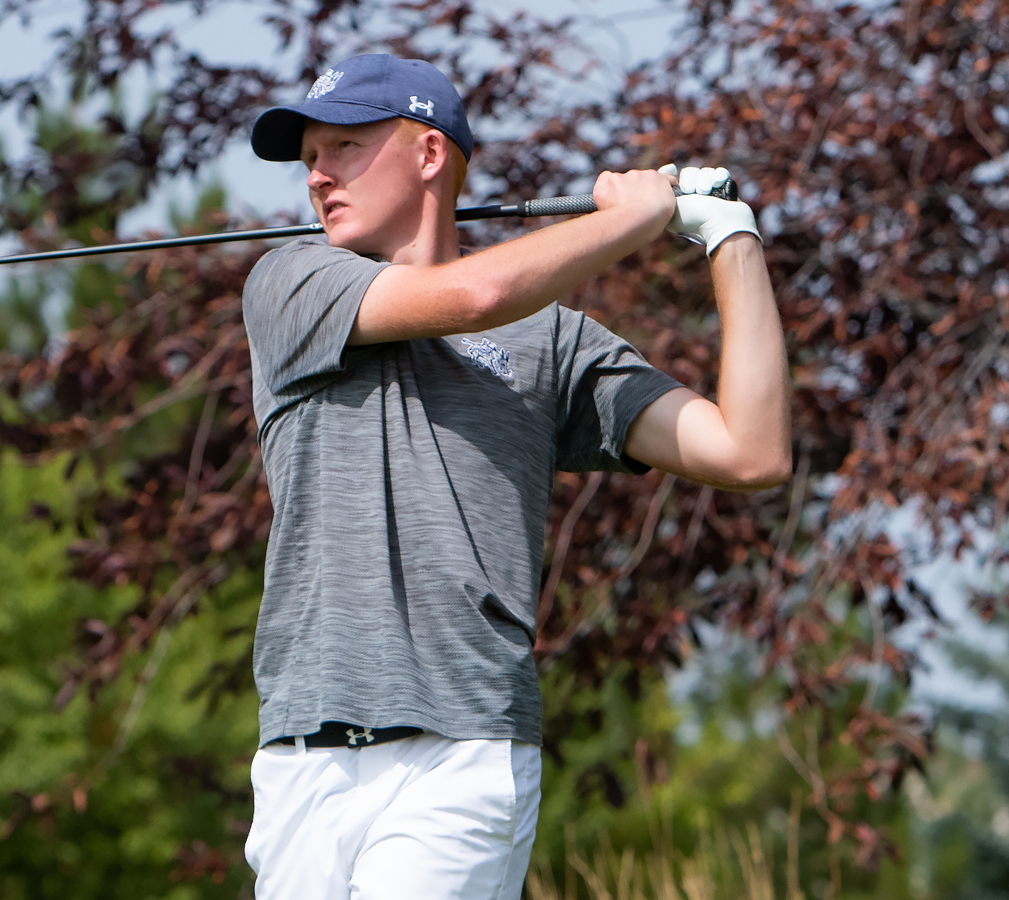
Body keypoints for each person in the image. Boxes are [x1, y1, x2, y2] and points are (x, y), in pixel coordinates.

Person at [238, 54, 790, 899]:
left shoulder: (555, 343)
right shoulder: (291, 280)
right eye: (309, 156)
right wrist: (635, 221)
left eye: (344, 147)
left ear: (428, 155)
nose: (317, 175)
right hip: (301, 756)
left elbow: (749, 451)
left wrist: (730, 238)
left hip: (462, 755)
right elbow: (476, 294)